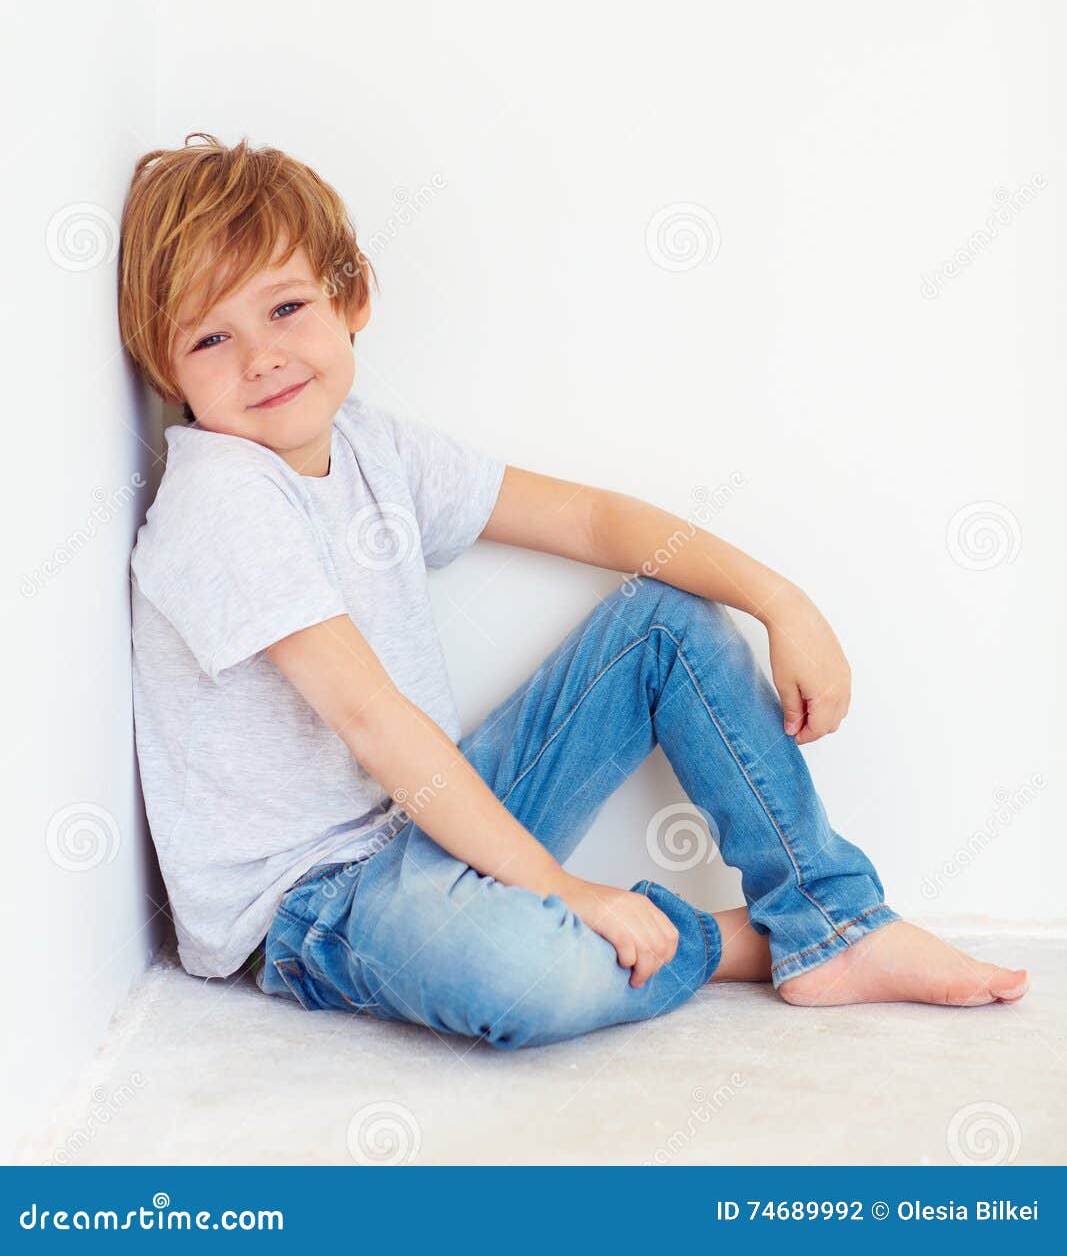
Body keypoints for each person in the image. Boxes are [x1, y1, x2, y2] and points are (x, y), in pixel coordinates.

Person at [118, 132, 1028, 1051]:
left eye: (285, 308)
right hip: (316, 903)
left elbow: (592, 522)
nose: (262, 358)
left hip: (435, 814)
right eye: (211, 337)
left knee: (665, 622)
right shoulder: (223, 494)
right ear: (167, 369)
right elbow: (369, 719)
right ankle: (737, 948)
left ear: (349, 298)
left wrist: (779, 600)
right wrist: (560, 890)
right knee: (522, 975)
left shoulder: (371, 446)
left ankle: (831, 924)